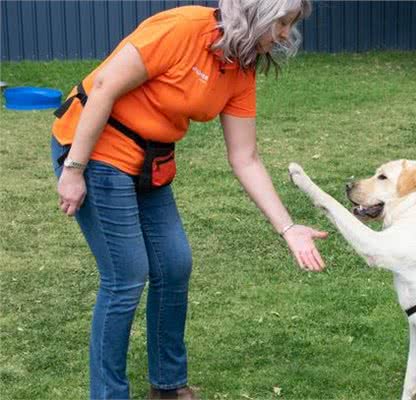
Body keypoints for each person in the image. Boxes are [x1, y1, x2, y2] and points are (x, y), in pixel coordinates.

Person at [50, 1, 326, 398]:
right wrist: (74, 169)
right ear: (256, 13)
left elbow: (245, 157)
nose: (285, 34)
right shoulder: (182, 28)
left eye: (290, 24)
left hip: (150, 160)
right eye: (281, 22)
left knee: (174, 265)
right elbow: (106, 86)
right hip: (95, 149)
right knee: (126, 276)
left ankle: (167, 387)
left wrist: (287, 227)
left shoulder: (240, 68)